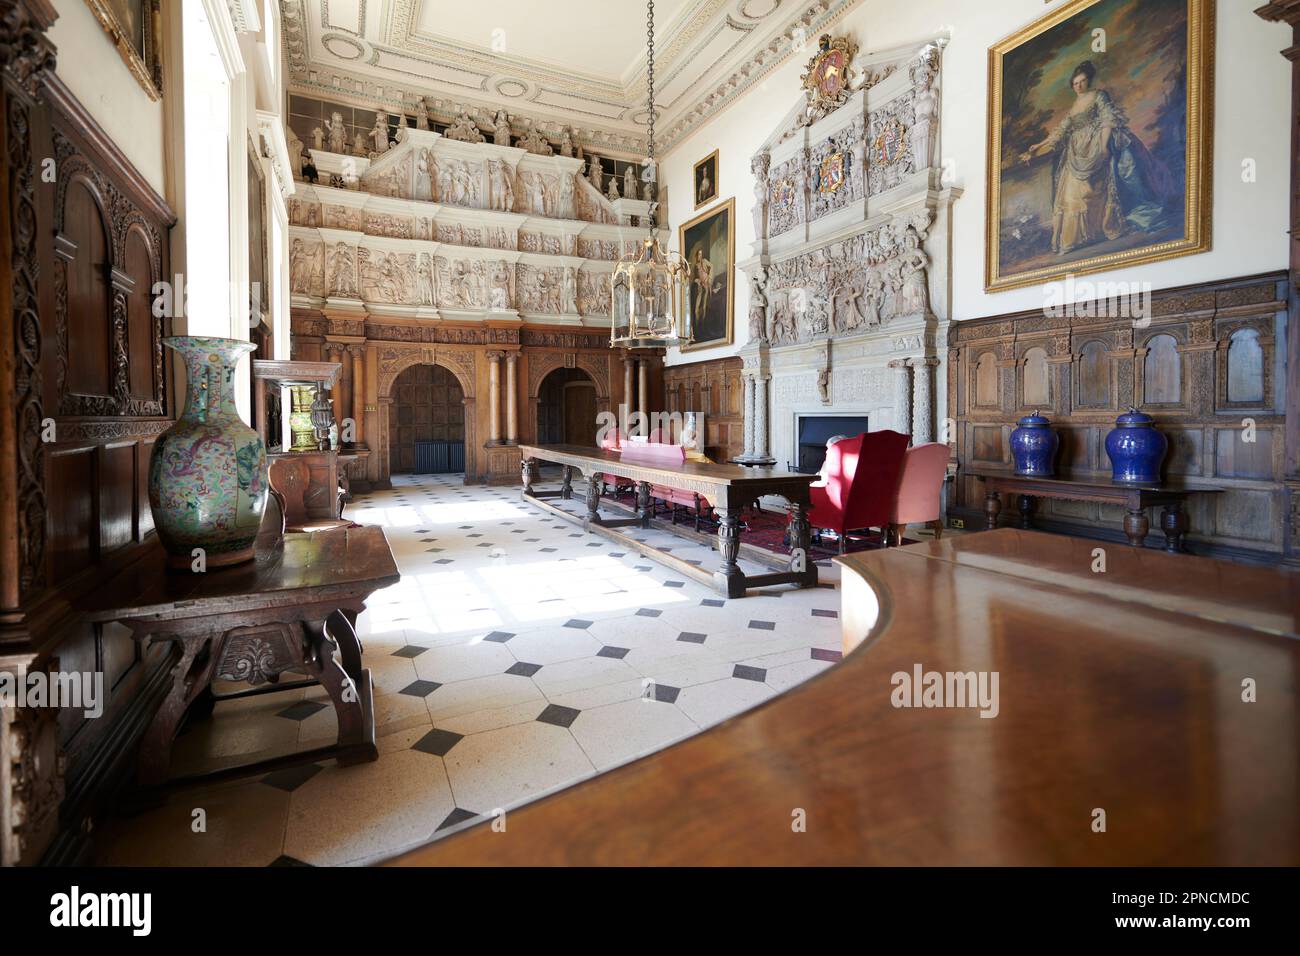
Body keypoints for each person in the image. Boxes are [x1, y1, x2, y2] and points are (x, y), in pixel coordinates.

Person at [1019, 60, 1173, 256]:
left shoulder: (1098, 95)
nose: (1079, 86)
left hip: (1096, 143)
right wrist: (1039, 145)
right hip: (1075, 151)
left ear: (1088, 81)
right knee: (1071, 195)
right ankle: (1074, 240)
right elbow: (1061, 130)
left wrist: (1102, 146)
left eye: (1082, 81)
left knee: (1095, 191)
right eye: (1075, 83)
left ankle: (1101, 229)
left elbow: (1107, 119)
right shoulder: (1074, 105)